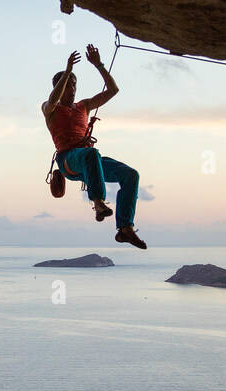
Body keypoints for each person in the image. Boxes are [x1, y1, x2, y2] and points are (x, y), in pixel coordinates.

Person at [41, 44, 147, 248]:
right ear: (59, 87)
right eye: (68, 85)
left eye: (74, 85)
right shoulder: (50, 108)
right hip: (68, 161)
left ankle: (125, 228)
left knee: (131, 175)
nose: (72, 88)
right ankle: (98, 203)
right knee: (91, 154)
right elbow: (53, 99)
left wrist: (99, 65)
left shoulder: (84, 106)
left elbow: (113, 90)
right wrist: (68, 71)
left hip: (91, 162)